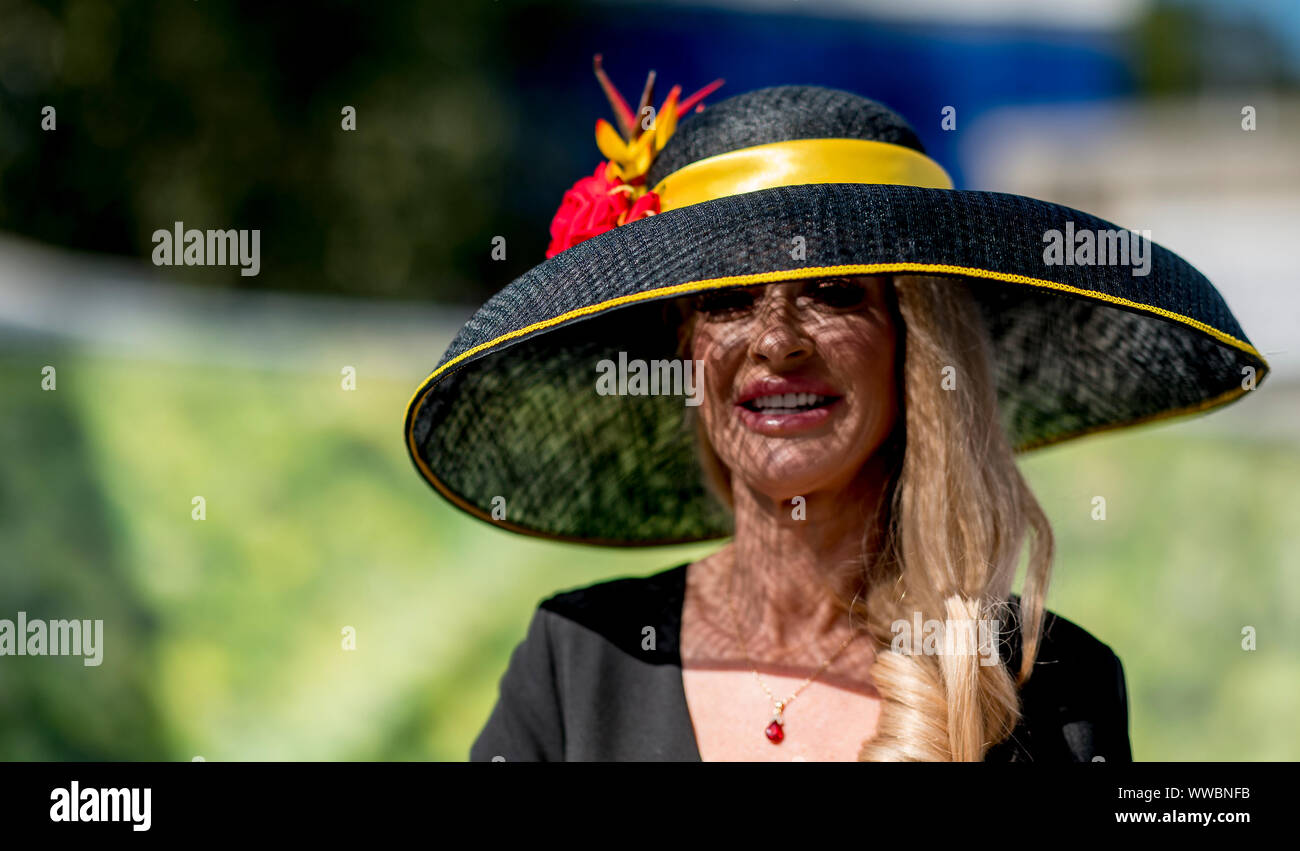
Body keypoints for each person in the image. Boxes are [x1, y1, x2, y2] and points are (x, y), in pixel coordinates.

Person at [403, 66, 1269, 761]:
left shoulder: (1053, 684)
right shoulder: (580, 661)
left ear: (914, 344)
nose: (776, 341)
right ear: (682, 349)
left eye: (830, 291)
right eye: (729, 297)